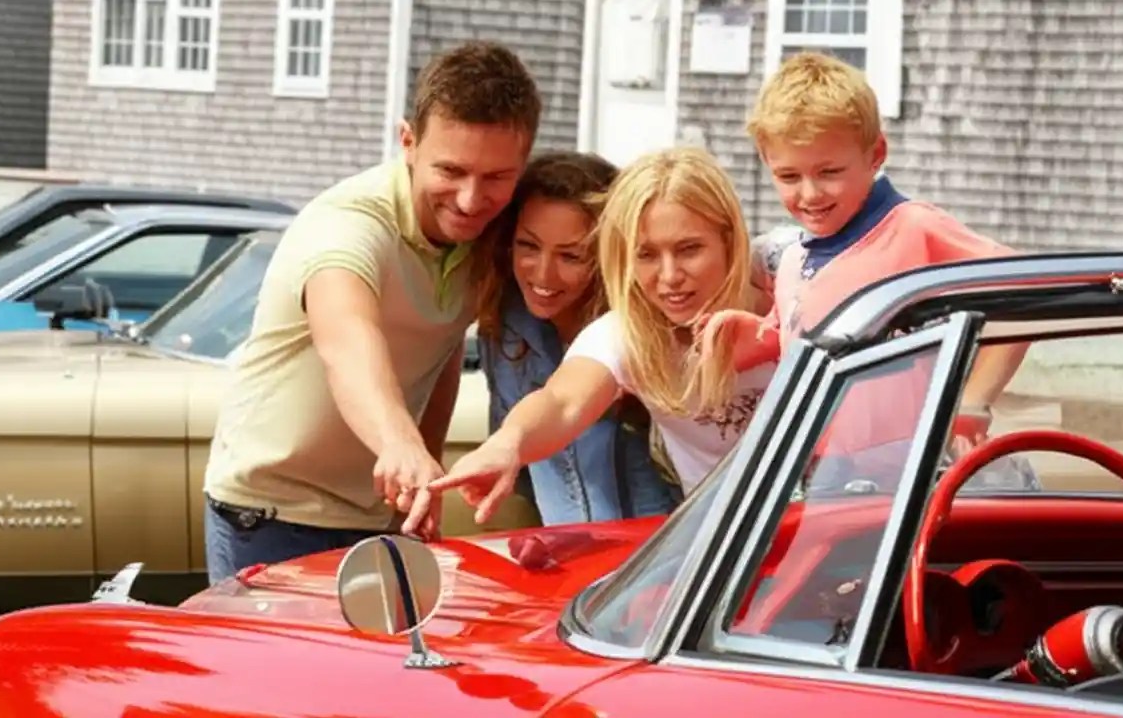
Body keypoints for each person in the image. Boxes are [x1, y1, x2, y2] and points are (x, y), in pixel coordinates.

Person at [201, 41, 543, 585]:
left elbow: (442, 347)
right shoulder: (347, 225)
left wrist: (422, 471)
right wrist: (400, 446)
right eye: (451, 169)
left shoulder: (486, 235)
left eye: (497, 177)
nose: (471, 198)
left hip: (379, 513)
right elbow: (348, 344)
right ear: (407, 142)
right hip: (270, 518)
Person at [694, 51, 1034, 491]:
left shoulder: (912, 228)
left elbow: (1021, 291)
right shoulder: (796, 258)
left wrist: (972, 403)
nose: (810, 193)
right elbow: (823, 344)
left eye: (830, 171)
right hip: (817, 465)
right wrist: (762, 337)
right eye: (789, 176)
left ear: (876, 154)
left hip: (903, 468)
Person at [424, 146, 779, 527]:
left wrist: (775, 333)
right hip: (729, 543)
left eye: (688, 249)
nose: (669, 275)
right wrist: (507, 444)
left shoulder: (790, 274)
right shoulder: (628, 333)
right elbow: (560, 401)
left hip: (830, 530)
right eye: (647, 255)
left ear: (729, 239)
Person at [474, 150, 677, 525]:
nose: (543, 275)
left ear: (607, 257)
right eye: (528, 246)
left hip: (658, 561)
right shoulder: (504, 328)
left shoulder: (641, 331)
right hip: (568, 563)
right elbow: (521, 476)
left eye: (571, 256)